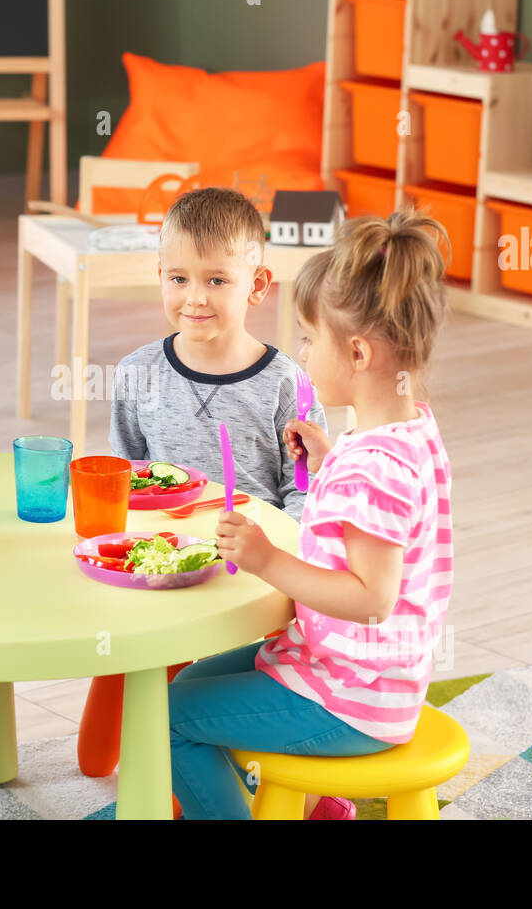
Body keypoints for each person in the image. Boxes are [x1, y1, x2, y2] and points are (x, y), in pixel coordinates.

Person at [171, 210, 455, 820]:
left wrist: (266, 559)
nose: (299, 351)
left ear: (356, 352)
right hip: (351, 671)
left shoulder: (371, 467)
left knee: (167, 720)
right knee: (188, 686)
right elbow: (383, 524)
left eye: (308, 337)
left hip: (350, 697)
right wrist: (328, 465)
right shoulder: (407, 430)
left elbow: (372, 597)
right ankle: (320, 807)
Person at [109, 186, 324, 523]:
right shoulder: (136, 373)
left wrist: (273, 548)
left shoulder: (287, 383)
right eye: (179, 278)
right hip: (163, 552)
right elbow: (124, 478)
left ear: (257, 285)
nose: (195, 298)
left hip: (257, 559)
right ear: (160, 276)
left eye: (216, 280)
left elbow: (307, 487)